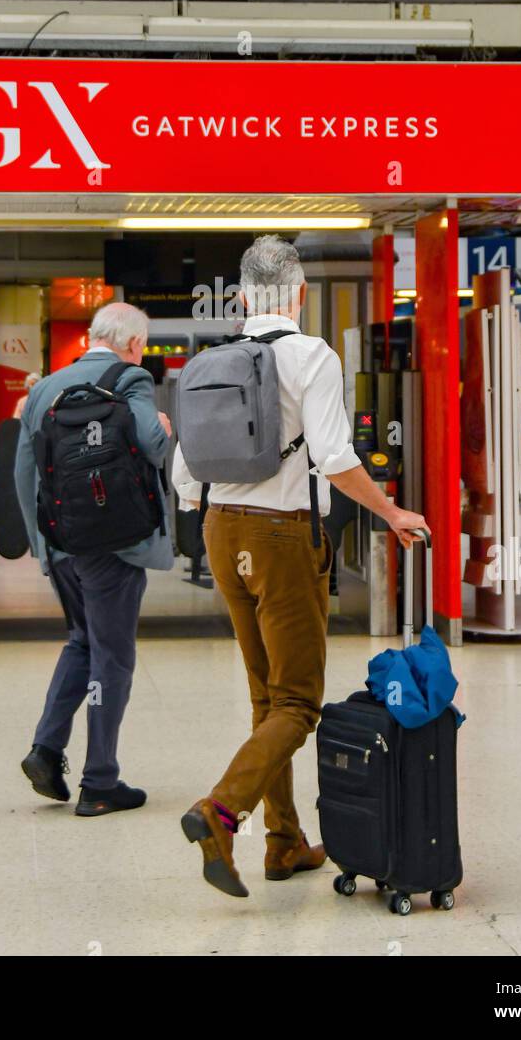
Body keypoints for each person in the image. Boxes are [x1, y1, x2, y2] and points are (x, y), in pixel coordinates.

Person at [172, 235, 429, 898]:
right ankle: (221, 813)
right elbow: (337, 459)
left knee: (267, 697)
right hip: (283, 541)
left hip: (220, 534)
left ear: (239, 296)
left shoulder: (211, 362)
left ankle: (283, 845)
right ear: (301, 293)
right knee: (297, 701)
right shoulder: (310, 355)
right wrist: (393, 511)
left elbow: (183, 475)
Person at [14, 303, 172, 817]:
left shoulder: (44, 389)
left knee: (83, 641)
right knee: (113, 658)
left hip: (62, 543)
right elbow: (151, 443)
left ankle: (45, 749)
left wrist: (43, 546)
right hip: (114, 546)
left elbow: (23, 473)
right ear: (134, 344)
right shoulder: (131, 379)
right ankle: (100, 781)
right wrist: (165, 428)